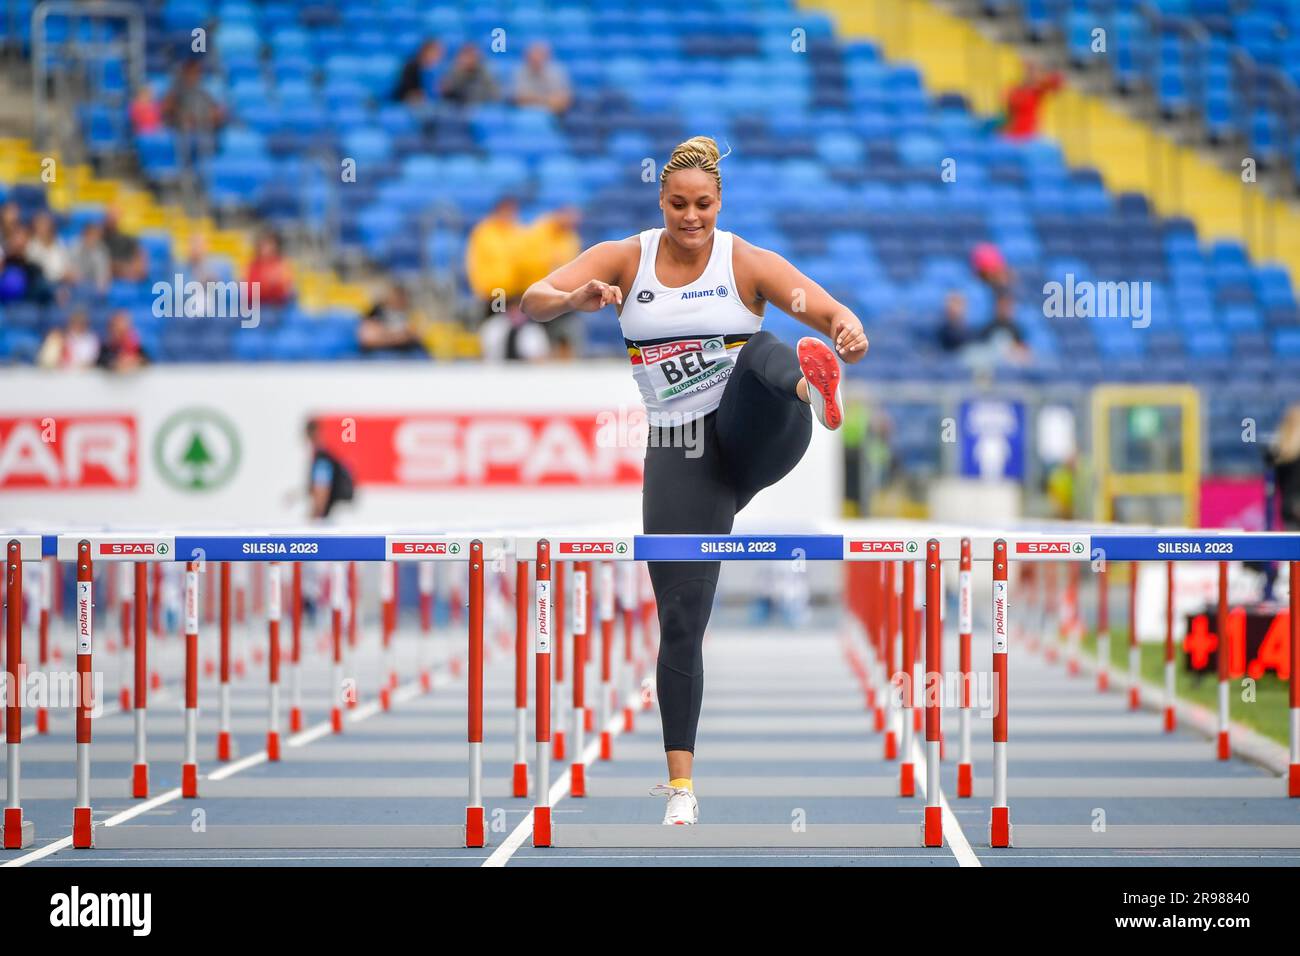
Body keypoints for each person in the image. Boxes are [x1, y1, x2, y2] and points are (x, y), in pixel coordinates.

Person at [521, 135, 869, 825]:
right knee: (681, 619)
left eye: (703, 205)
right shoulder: (628, 256)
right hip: (680, 451)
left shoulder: (744, 260)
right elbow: (533, 299)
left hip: (759, 431)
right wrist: (576, 297)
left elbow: (825, 308)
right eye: (678, 204)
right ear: (661, 200)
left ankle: (808, 387)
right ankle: (681, 787)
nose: (690, 218)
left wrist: (845, 327)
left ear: (720, 201)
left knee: (764, 352)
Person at [303, 420, 355, 521]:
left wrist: (315, 515)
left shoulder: (322, 459)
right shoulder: (324, 456)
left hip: (325, 517)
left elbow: (322, 490)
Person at [1001, 61, 1062, 140]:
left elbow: (1057, 82)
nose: (1032, 75)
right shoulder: (1014, 90)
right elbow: (1007, 105)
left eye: (1035, 72)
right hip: (1013, 134)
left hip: (1029, 134)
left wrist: (1042, 75)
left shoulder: (1037, 90)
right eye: (1029, 72)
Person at [358, 283, 426, 354]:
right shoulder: (376, 312)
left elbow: (418, 334)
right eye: (398, 297)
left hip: (406, 356)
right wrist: (397, 337)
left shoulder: (409, 315)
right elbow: (367, 338)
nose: (402, 301)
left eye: (403, 297)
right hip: (381, 356)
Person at [512, 42, 571, 114]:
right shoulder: (519, 72)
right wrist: (547, 100)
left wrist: (533, 99)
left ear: (547, 57)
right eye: (533, 57)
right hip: (525, 113)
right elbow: (519, 98)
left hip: (554, 113)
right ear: (526, 58)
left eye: (540, 56)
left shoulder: (557, 72)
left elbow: (563, 100)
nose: (536, 59)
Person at [246, 231, 294, 306]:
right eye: (264, 245)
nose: (267, 248)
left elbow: (285, 290)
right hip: (257, 306)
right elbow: (250, 290)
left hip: (277, 307)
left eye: (270, 244)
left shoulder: (282, 264)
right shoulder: (253, 265)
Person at [393, 39, 445, 104]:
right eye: (434, 52)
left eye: (439, 53)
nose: (436, 56)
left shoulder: (440, 70)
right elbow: (405, 91)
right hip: (408, 103)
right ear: (424, 52)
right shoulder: (411, 67)